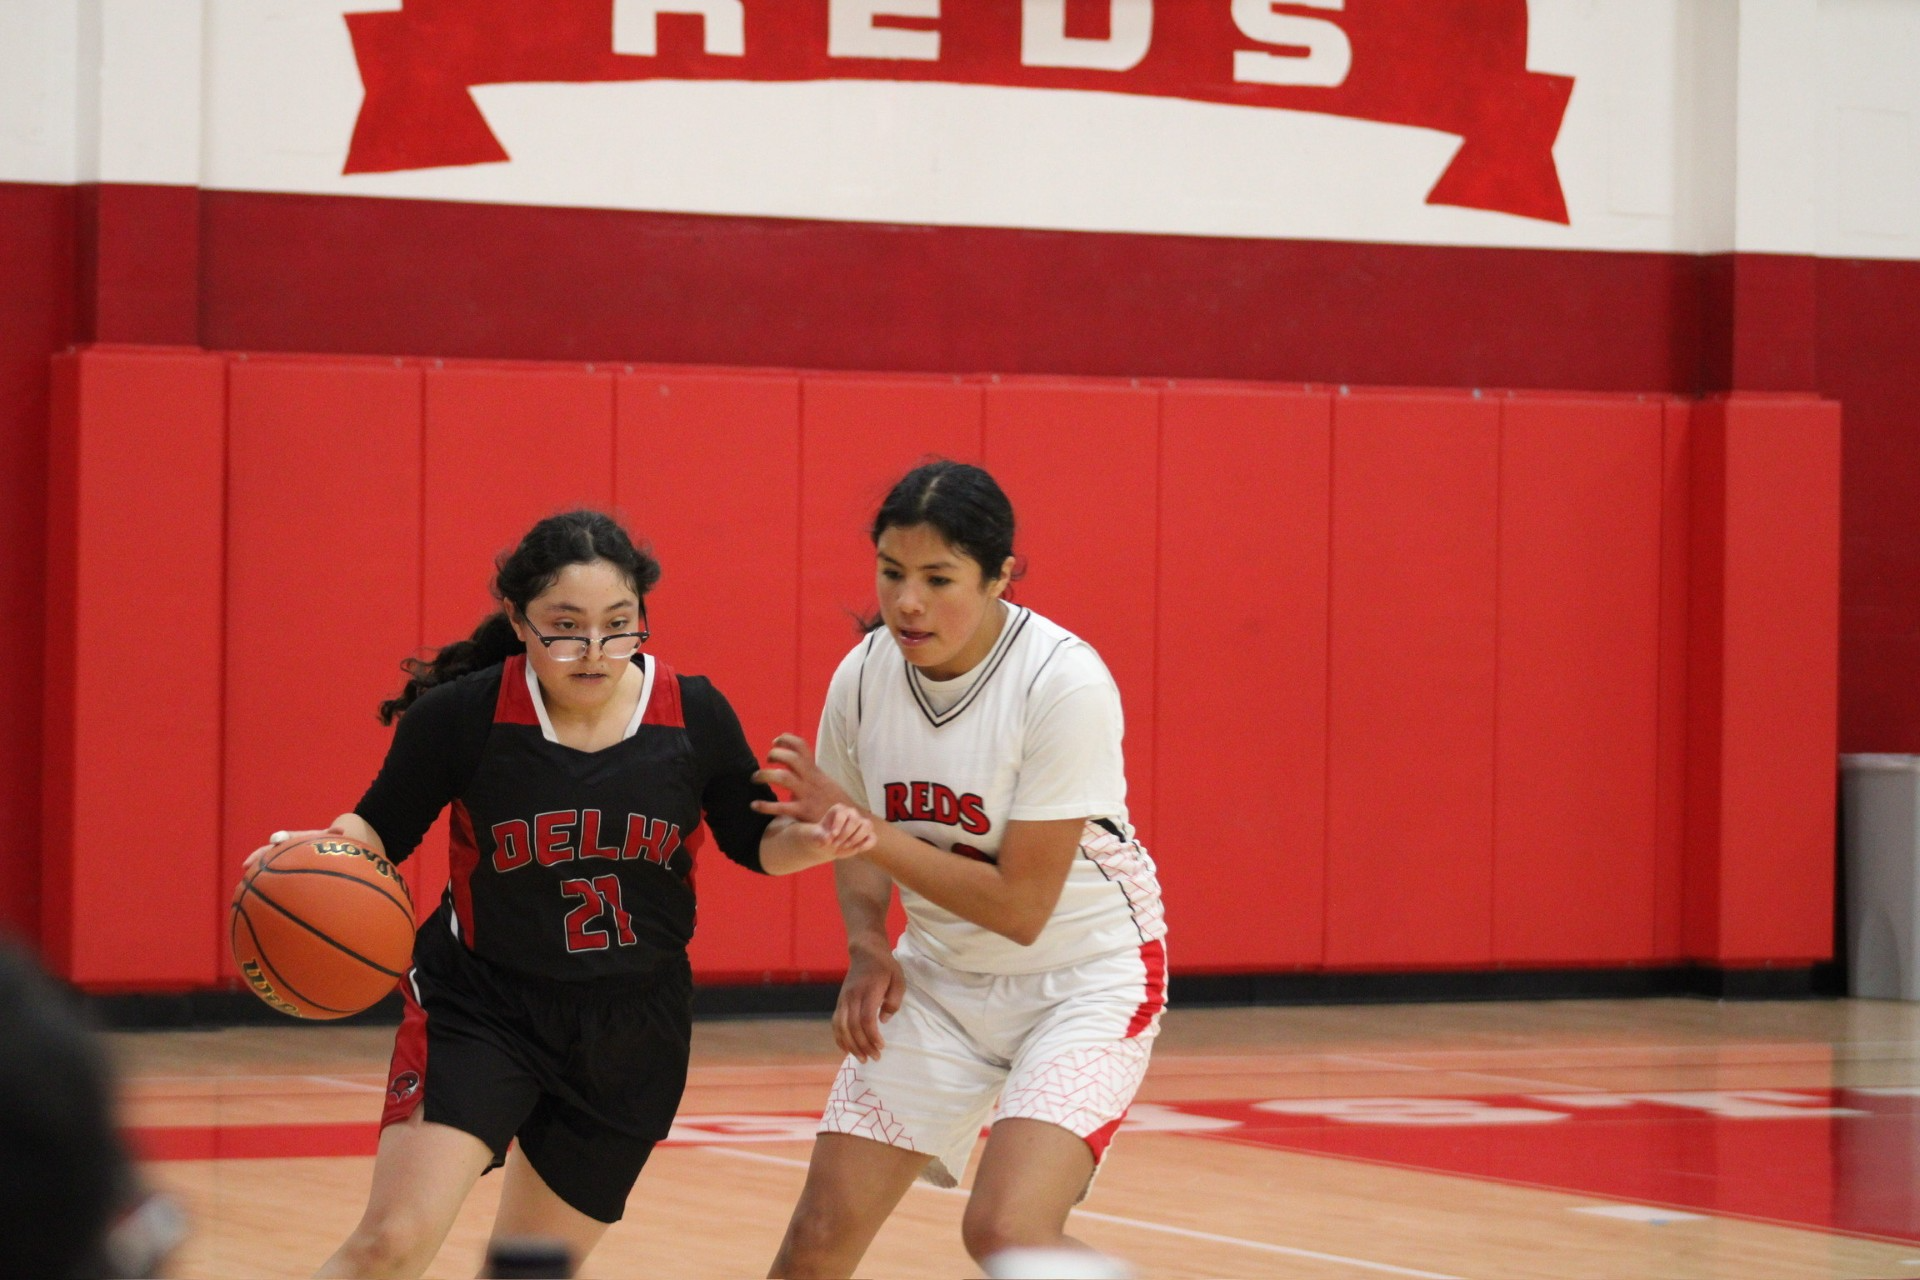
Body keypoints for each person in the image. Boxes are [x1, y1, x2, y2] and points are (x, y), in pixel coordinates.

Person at [248, 510, 874, 1279]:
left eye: (619, 627)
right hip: (483, 1005)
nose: (595, 651)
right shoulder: (466, 717)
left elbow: (754, 844)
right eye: (566, 628)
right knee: (390, 1244)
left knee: (527, 1273)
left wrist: (815, 843)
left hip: (632, 1028)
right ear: (518, 620)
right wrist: (316, 855)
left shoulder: (694, 713)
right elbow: (378, 827)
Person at [756, 461, 1168, 1279]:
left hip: (1083, 981)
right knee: (816, 1240)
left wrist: (864, 828)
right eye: (891, 573)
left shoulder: (1063, 682)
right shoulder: (865, 675)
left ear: (999, 576)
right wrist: (869, 943)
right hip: (940, 979)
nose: (907, 602)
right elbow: (855, 851)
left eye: (938, 578)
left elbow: (1019, 905)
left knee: (1008, 1233)